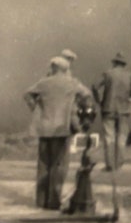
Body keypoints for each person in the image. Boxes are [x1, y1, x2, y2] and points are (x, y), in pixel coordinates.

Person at [24, 57, 94, 211]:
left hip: (44, 128)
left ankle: (41, 201)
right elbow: (87, 95)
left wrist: (36, 108)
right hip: (62, 129)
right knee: (59, 165)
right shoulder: (72, 83)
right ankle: (54, 202)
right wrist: (81, 110)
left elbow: (27, 94)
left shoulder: (44, 82)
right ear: (65, 69)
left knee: (43, 164)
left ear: (54, 67)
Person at [94, 51, 131, 171]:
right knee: (121, 138)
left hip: (108, 108)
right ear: (124, 64)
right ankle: (119, 164)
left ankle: (110, 164)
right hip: (124, 109)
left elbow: (95, 86)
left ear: (114, 63)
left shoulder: (108, 74)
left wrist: (99, 100)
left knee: (109, 137)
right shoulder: (129, 75)